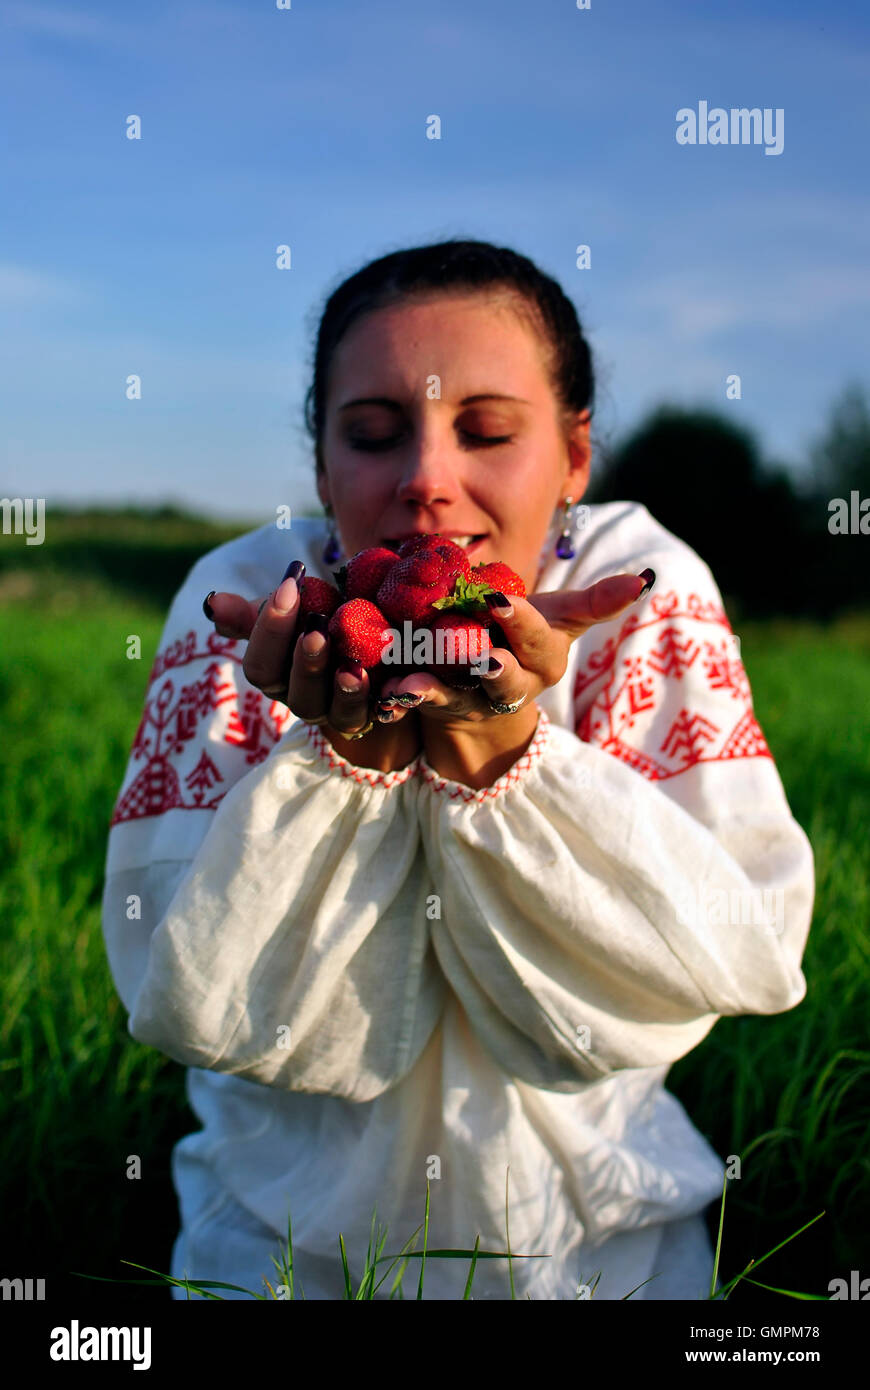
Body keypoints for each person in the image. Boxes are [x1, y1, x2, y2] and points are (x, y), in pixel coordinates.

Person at [100, 239, 814, 1301]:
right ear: (320, 467)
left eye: (487, 430)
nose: (428, 481)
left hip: (601, 1251)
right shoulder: (252, 603)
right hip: (279, 1251)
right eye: (374, 435)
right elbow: (200, 1000)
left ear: (575, 457)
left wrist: (505, 748)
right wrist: (350, 755)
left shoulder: (637, 595)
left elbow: (711, 966)